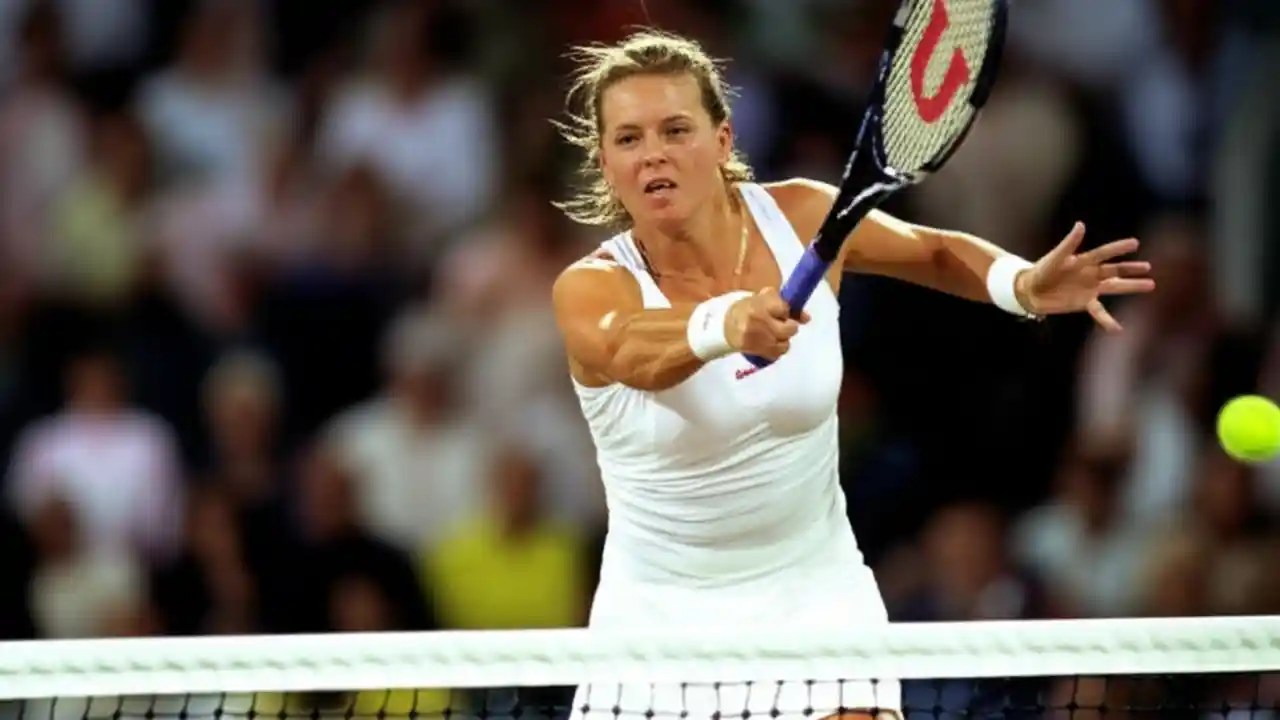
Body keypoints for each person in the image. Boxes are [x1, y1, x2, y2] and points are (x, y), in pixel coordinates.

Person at [550, 30, 1155, 720]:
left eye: (675, 129)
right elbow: (630, 350)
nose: (653, 151)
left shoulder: (803, 216)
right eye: (628, 139)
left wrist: (1020, 283)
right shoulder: (589, 287)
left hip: (815, 596)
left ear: (722, 142)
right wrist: (726, 324)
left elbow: (930, 252)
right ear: (604, 160)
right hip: (659, 621)